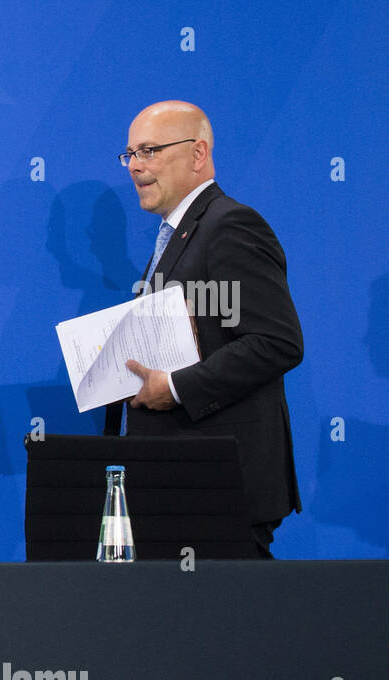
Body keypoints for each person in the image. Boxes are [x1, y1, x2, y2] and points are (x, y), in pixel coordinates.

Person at [112, 100, 303, 557]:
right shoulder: (179, 235)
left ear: (198, 154)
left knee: (232, 625)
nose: (136, 166)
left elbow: (276, 342)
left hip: (220, 485)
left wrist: (175, 388)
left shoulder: (230, 225)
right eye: (131, 154)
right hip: (179, 483)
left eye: (150, 151)